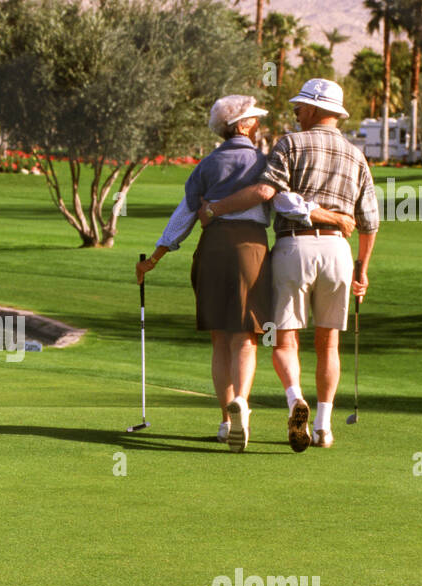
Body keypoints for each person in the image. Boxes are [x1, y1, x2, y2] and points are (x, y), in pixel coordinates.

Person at [135, 94, 352, 453]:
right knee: (247, 338)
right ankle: (244, 410)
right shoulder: (263, 162)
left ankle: (226, 420)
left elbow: (184, 217)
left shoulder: (204, 165)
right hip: (250, 249)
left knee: (220, 338)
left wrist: (155, 257)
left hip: (212, 249)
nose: (259, 123)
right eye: (254, 118)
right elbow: (282, 201)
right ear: (243, 125)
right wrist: (330, 218)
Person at [199, 78, 379, 451]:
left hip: (294, 247)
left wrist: (214, 208)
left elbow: (272, 194)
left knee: (284, 340)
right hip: (338, 253)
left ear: (314, 109)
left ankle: (296, 400)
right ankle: (324, 426)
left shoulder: (289, 144)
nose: (296, 112)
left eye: (300, 107)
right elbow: (370, 221)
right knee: (329, 343)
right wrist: (362, 268)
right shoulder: (356, 155)